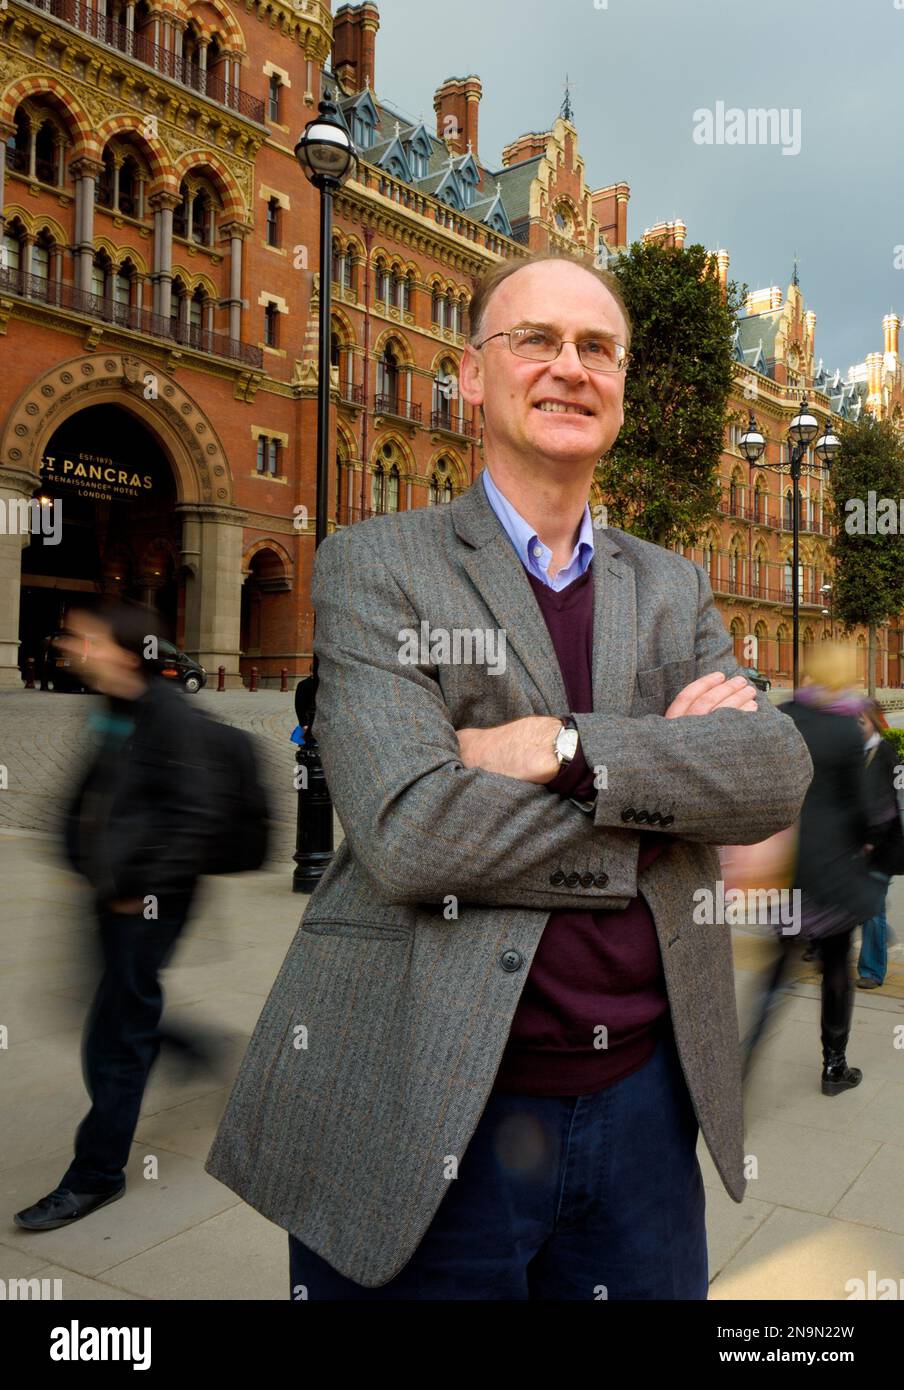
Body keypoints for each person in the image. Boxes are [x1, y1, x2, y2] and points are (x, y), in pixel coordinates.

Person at [206, 250, 812, 1300]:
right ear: (471, 377)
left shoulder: (670, 587)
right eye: (535, 339)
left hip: (643, 1110)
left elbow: (769, 775)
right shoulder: (374, 563)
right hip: (431, 1094)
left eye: (596, 348)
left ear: (620, 384)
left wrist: (558, 748)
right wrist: (663, 781)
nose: (569, 367)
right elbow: (409, 831)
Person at [14, 598, 216, 1232]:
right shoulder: (114, 706)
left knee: (114, 1039)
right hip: (109, 896)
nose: (70, 644)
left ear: (127, 651)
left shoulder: (169, 717)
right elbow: (99, 796)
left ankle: (96, 1175)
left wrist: (140, 887)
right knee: (107, 1011)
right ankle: (180, 1041)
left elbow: (197, 817)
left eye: (84, 636)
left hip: (146, 904)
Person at [746, 645, 887, 1095]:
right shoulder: (845, 730)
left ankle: (742, 1064)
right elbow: (863, 807)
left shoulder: (783, 717)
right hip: (832, 876)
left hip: (787, 869)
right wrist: (870, 834)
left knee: (777, 970)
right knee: (836, 969)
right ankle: (834, 1067)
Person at [856, 699, 904, 988]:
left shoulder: (886, 754)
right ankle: (883, 936)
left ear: (873, 721)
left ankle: (871, 971)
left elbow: (888, 805)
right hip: (856, 846)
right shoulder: (854, 755)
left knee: (873, 908)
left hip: (882, 847)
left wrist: (871, 841)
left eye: (860, 720)